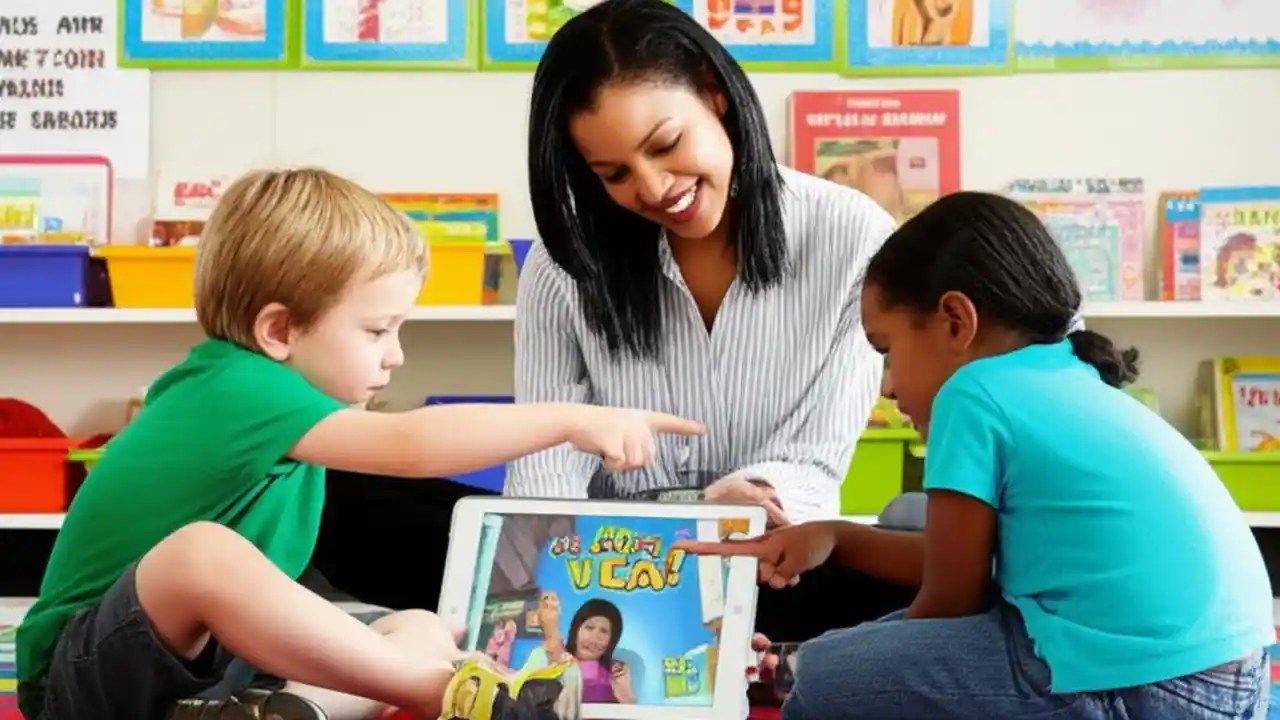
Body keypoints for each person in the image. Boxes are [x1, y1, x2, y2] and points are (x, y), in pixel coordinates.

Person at [15, 168, 704, 720]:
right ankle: (438, 689)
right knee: (203, 554)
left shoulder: (298, 415)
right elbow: (411, 444)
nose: (396, 356)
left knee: (424, 627)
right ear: (279, 331)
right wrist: (572, 419)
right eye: (378, 331)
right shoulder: (232, 387)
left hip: (207, 674)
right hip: (81, 678)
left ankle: (294, 711)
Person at [679, 191, 1277, 719]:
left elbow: (951, 605)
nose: (886, 385)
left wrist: (822, 663)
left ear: (955, 321)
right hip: (1235, 677)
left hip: (1146, 687)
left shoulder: (975, 391)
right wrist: (835, 536)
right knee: (834, 660)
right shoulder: (1062, 373)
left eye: (886, 351)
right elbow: (968, 569)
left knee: (825, 685)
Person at [508, 0, 914, 642]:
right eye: (613, 173)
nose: (653, 188)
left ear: (714, 94)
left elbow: (816, 457)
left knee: (923, 586)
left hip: (776, 565)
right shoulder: (566, 269)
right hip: (615, 578)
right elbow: (545, 472)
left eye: (666, 145)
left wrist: (743, 498)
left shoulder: (850, 233)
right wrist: (543, 589)